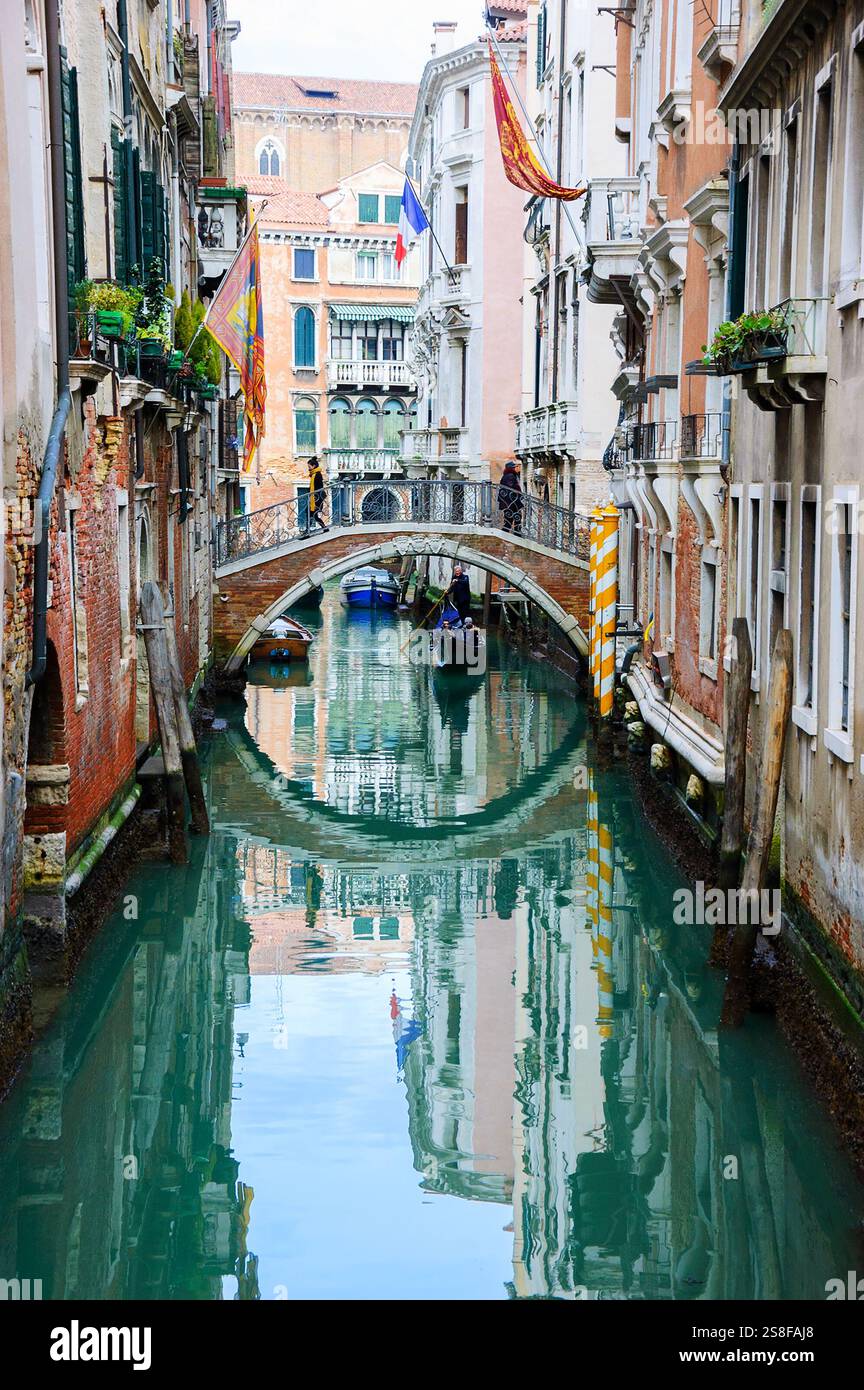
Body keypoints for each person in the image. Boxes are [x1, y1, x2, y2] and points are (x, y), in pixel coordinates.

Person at [498, 460, 523, 534]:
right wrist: (518, 491)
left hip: (508, 502)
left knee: (510, 518)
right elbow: (511, 487)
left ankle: (510, 531)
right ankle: (516, 532)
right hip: (511, 501)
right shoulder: (510, 476)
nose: (515, 468)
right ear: (511, 468)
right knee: (515, 517)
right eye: (513, 467)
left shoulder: (506, 476)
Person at [305, 456, 328, 532]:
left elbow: (319, 487)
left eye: (309, 466)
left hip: (317, 498)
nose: (308, 468)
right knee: (312, 514)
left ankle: (307, 531)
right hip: (315, 498)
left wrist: (314, 497)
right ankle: (324, 528)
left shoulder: (317, 475)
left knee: (310, 513)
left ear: (314, 466)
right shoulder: (314, 474)